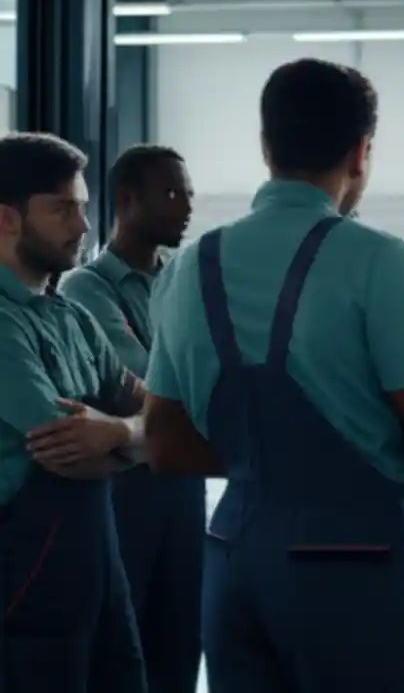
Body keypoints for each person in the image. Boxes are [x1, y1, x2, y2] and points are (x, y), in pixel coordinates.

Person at [141, 57, 404, 692]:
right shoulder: (379, 261)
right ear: (360, 152)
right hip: (353, 563)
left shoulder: (189, 268)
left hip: (236, 558)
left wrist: (265, 464)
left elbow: (163, 441)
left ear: (266, 147)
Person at [0, 132, 149, 691]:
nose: (84, 227)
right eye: (63, 209)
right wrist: (150, 438)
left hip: (98, 571)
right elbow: (64, 451)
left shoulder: (71, 316)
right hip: (25, 577)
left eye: (83, 208)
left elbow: (150, 405)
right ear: (6, 219)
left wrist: (117, 431)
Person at [58, 144, 204, 693]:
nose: (185, 207)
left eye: (188, 194)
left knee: (182, 639)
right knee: (127, 645)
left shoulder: (185, 278)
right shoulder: (85, 289)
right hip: (128, 488)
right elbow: (149, 390)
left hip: (184, 484)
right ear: (125, 200)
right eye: (170, 193)